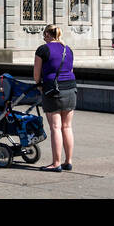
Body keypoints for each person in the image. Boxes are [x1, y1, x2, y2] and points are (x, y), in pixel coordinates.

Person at [34, 25, 77, 172]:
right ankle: (68, 161)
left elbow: (36, 74)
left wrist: (39, 85)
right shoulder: (68, 49)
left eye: (44, 34)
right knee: (67, 126)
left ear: (47, 34)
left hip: (53, 90)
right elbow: (70, 69)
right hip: (71, 89)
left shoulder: (43, 50)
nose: (43, 37)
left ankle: (56, 163)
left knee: (56, 127)